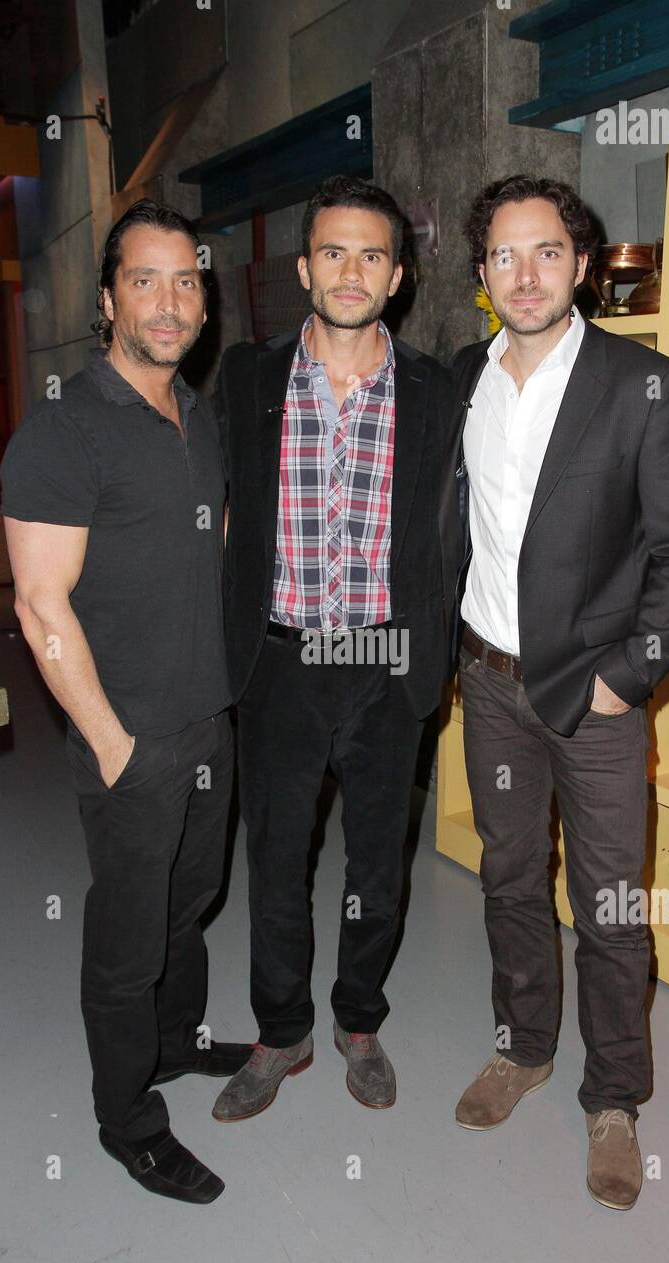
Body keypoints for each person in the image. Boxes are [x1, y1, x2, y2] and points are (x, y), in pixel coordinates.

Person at [449, 176, 669, 1209]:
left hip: (595, 695)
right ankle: (522, 1046)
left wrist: (626, 675)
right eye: (504, 257)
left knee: (608, 906)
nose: (525, 275)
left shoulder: (646, 385)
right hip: (489, 680)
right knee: (508, 878)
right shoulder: (464, 385)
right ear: (480, 275)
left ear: (580, 261)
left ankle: (613, 1099)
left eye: (545, 252)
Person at [0, 199, 253, 1204]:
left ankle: (175, 1040)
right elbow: (37, 600)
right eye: (143, 279)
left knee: (190, 906)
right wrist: (109, 742)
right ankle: (127, 1120)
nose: (169, 299)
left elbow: (213, 545)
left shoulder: (200, 416)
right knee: (126, 936)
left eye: (186, 280)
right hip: (129, 737)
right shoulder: (65, 430)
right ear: (108, 299)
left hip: (207, 722)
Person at [212, 174, 456, 1122]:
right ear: (304, 266)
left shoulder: (439, 389)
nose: (350, 272)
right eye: (332, 252)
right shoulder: (245, 377)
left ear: (397, 275)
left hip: (390, 659)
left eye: (371, 255)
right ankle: (283, 1033)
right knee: (275, 855)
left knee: (377, 864)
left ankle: (358, 1020)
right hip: (278, 660)